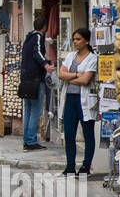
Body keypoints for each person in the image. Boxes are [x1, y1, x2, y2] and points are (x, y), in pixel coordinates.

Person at [58, 27, 99, 176]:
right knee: (69, 134)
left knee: (88, 133)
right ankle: (70, 166)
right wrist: (76, 74)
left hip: (85, 100)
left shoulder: (92, 58)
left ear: (86, 41)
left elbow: (86, 80)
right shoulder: (70, 56)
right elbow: (60, 74)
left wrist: (70, 77)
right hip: (69, 99)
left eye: (78, 39)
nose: (75, 42)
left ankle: (85, 166)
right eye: (74, 39)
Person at [19, 11, 55, 152]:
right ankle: (31, 141)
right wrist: (46, 65)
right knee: (36, 110)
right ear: (44, 27)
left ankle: (27, 141)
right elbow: (37, 53)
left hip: (26, 79)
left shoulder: (28, 38)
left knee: (28, 110)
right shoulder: (38, 37)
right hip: (35, 79)